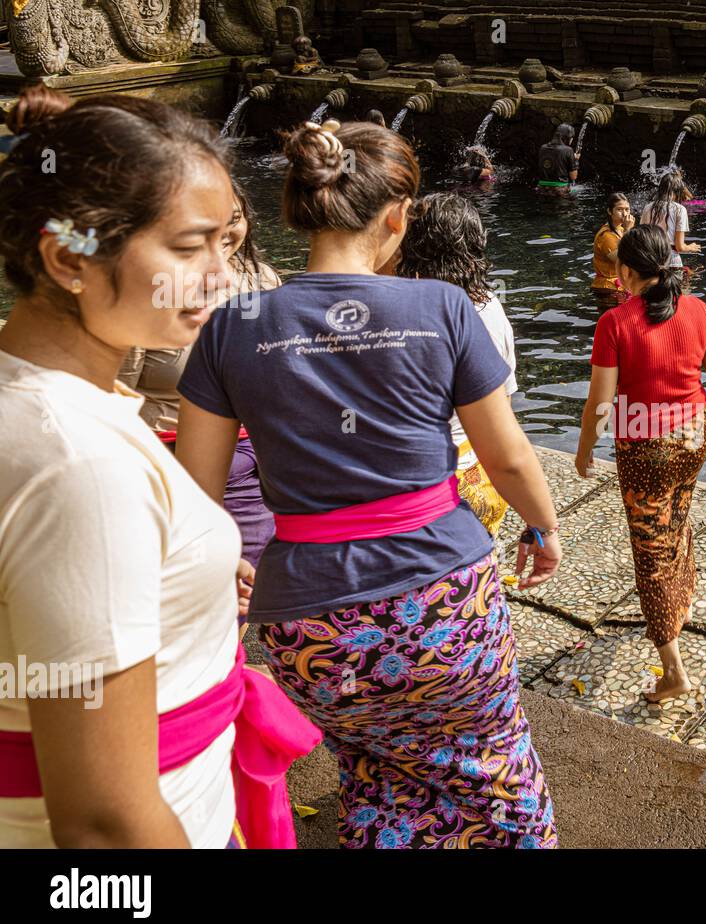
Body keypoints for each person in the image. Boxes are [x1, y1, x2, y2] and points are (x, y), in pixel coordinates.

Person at [176, 119, 562, 849]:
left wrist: (225, 558)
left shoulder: (234, 324)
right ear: (395, 215)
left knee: (376, 777)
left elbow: (197, 492)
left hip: (310, 627)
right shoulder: (441, 308)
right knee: (493, 776)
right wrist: (542, 527)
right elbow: (508, 460)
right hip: (441, 608)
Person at [0, 86, 317, 849]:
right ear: (69, 257)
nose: (220, 275)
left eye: (226, 244)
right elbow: (106, 826)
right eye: (188, 247)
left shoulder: (55, 404)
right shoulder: (80, 465)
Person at [576, 225, 706, 702]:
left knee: (650, 553)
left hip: (646, 448)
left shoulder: (615, 323)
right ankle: (678, 604)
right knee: (676, 521)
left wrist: (584, 450)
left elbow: (601, 402)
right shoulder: (699, 311)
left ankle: (673, 668)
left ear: (624, 271)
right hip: (693, 436)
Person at [118, 177, 282, 571]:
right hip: (165, 458)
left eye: (235, 219)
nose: (224, 235)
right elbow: (114, 391)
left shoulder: (261, 281)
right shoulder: (153, 292)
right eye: (206, 226)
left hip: (249, 461)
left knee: (245, 581)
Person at [397, 191, 518, 538]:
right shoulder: (491, 308)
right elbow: (502, 415)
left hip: (426, 487)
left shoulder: (403, 309)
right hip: (478, 479)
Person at [640, 170, 699, 269]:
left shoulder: (648, 207)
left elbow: (642, 238)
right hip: (671, 262)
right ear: (678, 190)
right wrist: (691, 247)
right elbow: (680, 247)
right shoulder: (679, 209)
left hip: (650, 261)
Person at [592, 190, 634, 306]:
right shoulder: (606, 236)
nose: (625, 214)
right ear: (610, 211)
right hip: (608, 289)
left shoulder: (620, 229)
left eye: (627, 209)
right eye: (619, 210)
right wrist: (628, 231)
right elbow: (623, 259)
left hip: (620, 285)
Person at [538, 123, 578, 189]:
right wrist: (575, 160)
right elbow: (574, 177)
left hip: (541, 188)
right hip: (560, 189)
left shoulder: (542, 147)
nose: (572, 139)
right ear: (567, 137)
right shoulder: (568, 150)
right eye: (572, 137)